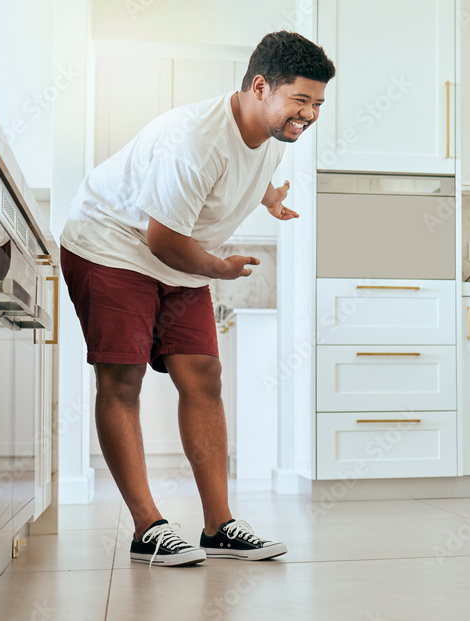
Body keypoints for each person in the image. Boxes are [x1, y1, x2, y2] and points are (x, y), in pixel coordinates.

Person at [59, 31, 335, 567]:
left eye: (318, 103)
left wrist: (269, 198)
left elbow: (241, 172)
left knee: (203, 374)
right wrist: (220, 268)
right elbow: (164, 239)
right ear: (260, 87)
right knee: (122, 379)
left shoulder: (271, 131)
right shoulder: (194, 140)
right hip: (112, 243)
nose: (309, 114)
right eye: (301, 100)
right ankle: (147, 528)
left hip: (174, 253)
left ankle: (219, 527)